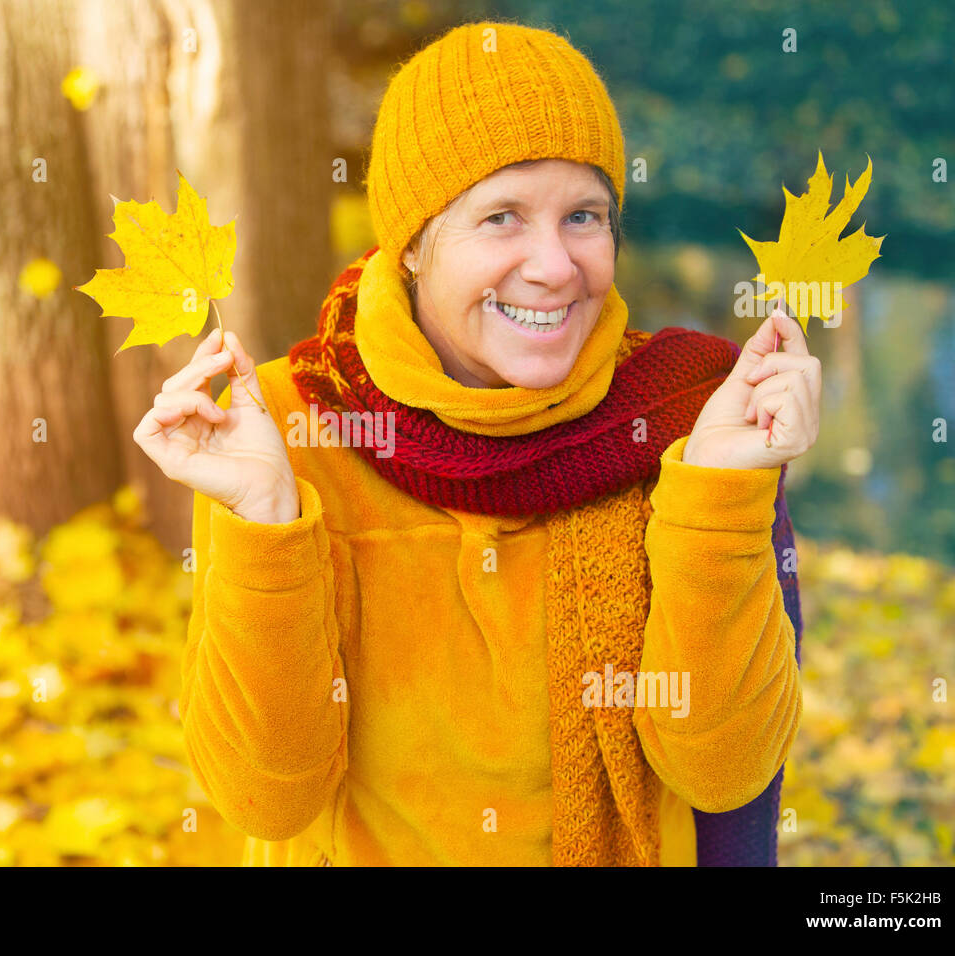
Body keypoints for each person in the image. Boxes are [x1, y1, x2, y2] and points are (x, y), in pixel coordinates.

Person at [133, 21, 818, 866]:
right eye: (501, 217)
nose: (555, 265)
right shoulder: (287, 420)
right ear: (414, 245)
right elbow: (268, 797)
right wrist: (268, 522)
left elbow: (723, 773)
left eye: (584, 216)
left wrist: (719, 498)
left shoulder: (682, 419)